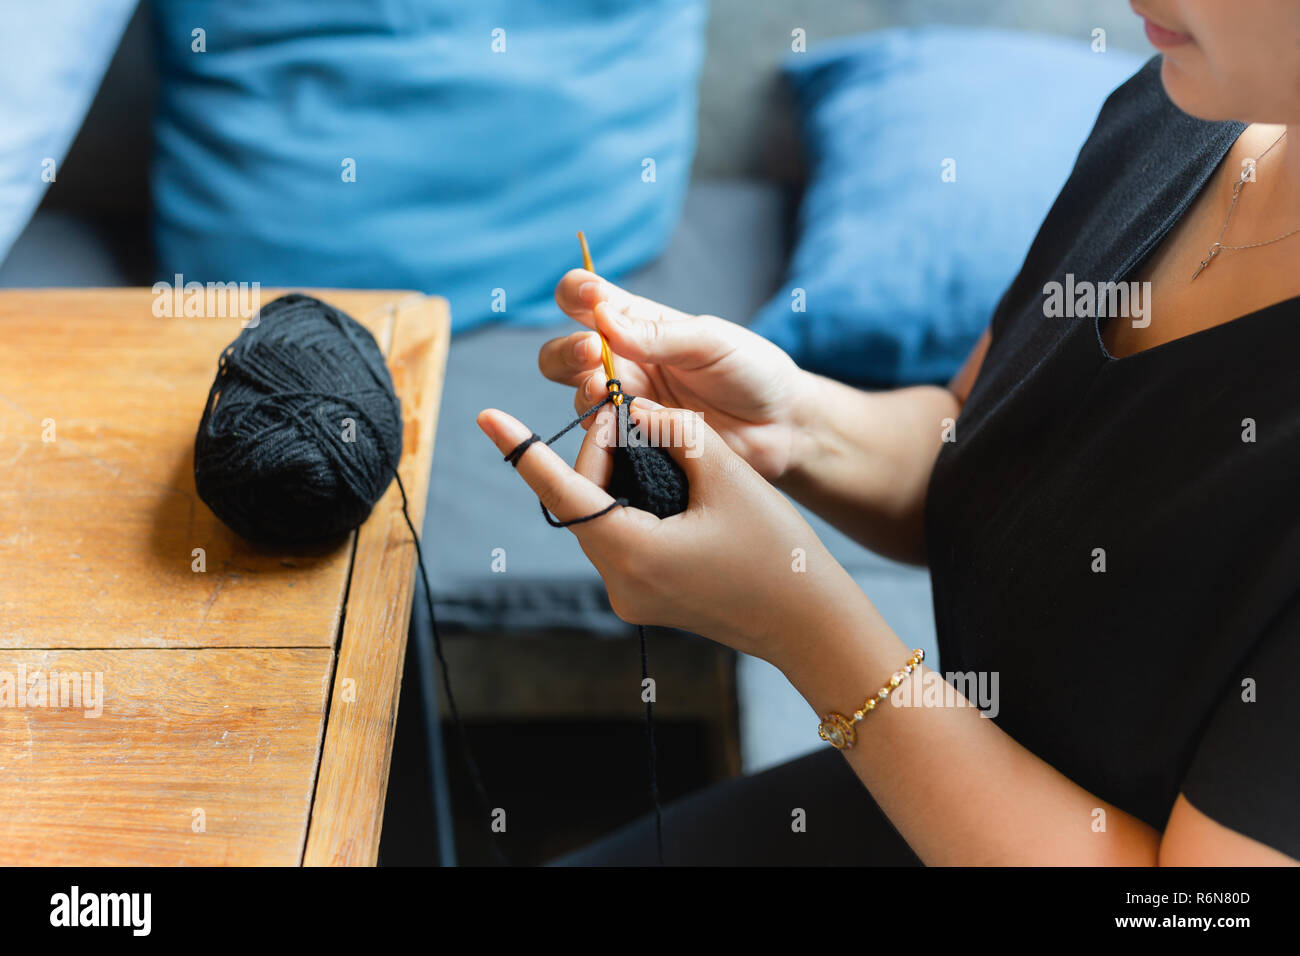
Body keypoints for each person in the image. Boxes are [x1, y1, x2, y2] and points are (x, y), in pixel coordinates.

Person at [477, 0, 1300, 865]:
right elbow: (976, 444)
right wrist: (791, 423)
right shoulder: (1179, 107)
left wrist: (800, 625)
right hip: (919, 794)